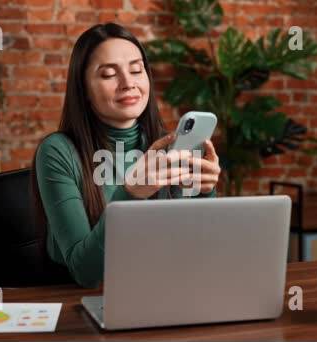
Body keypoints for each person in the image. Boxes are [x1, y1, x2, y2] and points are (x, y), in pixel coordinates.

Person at [30, 23, 221, 288]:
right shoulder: (57, 151)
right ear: (83, 89)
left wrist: (204, 191)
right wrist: (131, 193)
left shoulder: (169, 147)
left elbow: (199, 252)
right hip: (81, 303)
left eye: (136, 70)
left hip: (161, 290)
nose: (128, 83)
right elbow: (86, 273)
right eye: (109, 74)